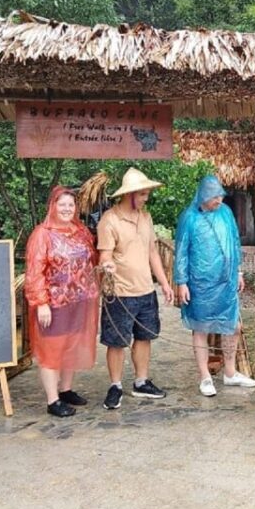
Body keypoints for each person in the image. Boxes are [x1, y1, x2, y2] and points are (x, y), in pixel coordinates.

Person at [97, 168, 174, 410]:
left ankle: (141, 381)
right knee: (117, 341)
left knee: (144, 337)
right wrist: (106, 265)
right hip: (119, 293)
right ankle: (115, 385)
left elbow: (152, 252)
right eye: (142, 194)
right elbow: (105, 255)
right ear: (129, 195)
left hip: (145, 291)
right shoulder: (109, 220)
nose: (145, 198)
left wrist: (163, 282)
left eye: (146, 194)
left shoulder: (146, 217)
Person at [174, 175, 255, 396]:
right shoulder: (189, 218)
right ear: (203, 196)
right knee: (200, 327)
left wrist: (238, 271)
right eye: (214, 196)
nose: (219, 200)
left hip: (226, 280)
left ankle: (230, 373)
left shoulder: (226, 213)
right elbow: (181, 252)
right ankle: (205, 377)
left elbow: (235, 241)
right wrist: (181, 282)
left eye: (220, 195)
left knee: (232, 326)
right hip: (199, 283)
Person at [25, 186, 99, 418]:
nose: (67, 209)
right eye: (62, 204)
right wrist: (41, 302)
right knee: (52, 349)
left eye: (71, 205)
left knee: (71, 345)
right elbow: (34, 271)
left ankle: (66, 390)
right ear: (53, 206)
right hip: (54, 304)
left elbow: (92, 259)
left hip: (79, 301)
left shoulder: (81, 231)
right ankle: (52, 399)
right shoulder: (42, 234)